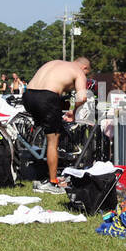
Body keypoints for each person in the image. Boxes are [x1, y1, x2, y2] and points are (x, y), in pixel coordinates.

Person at [22, 56, 90, 193]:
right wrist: (74, 111)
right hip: (46, 97)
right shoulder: (79, 71)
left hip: (28, 95)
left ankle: (40, 169)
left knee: (47, 131)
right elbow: (82, 97)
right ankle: (52, 183)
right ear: (84, 68)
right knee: (53, 139)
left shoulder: (54, 62)